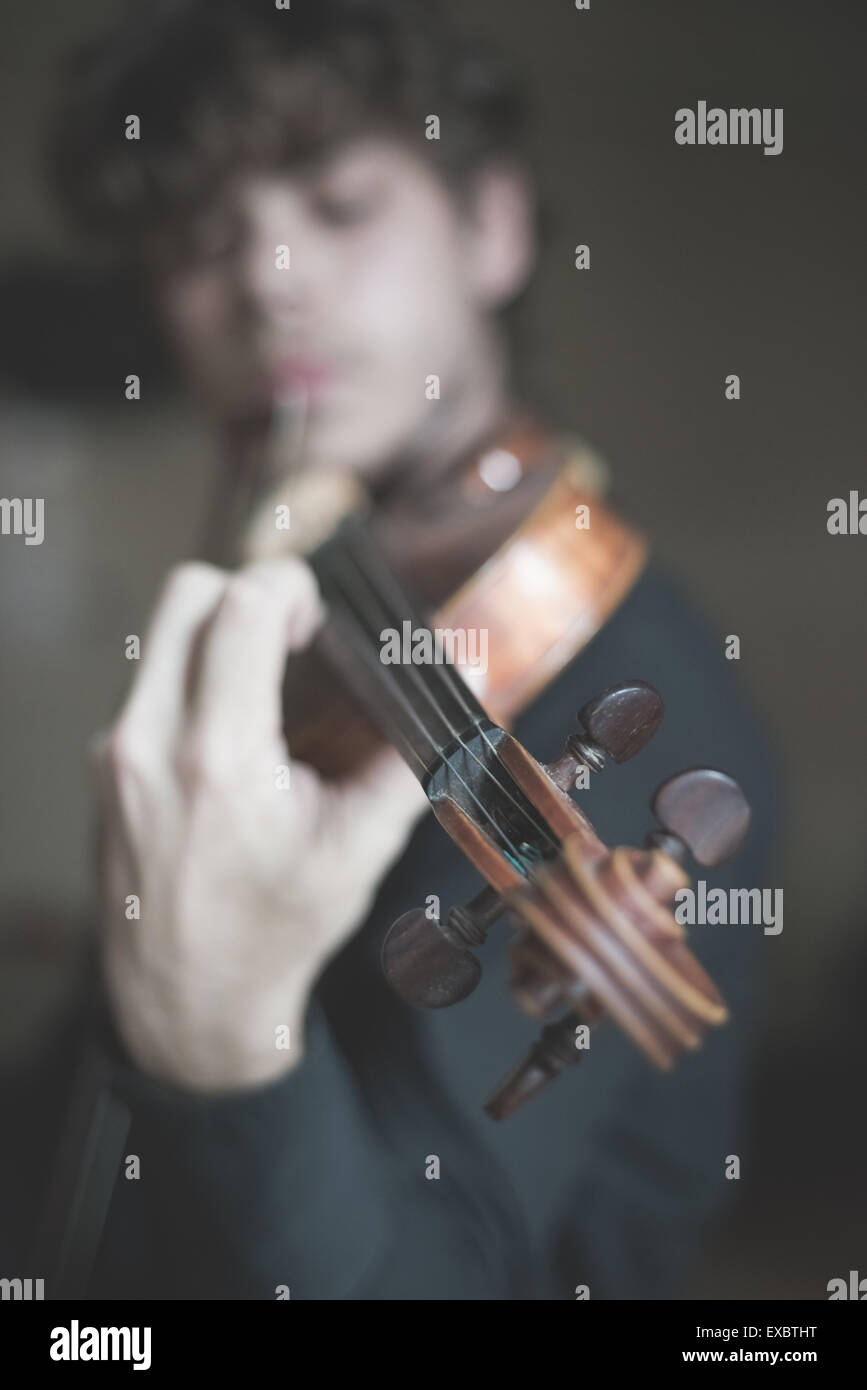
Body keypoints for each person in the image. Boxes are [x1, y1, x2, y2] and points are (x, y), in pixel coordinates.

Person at [7, 0, 778, 1300]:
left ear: (493, 226)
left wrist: (220, 1047)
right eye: (202, 238)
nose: (266, 278)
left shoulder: (635, 697)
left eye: (341, 204)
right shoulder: (314, 588)